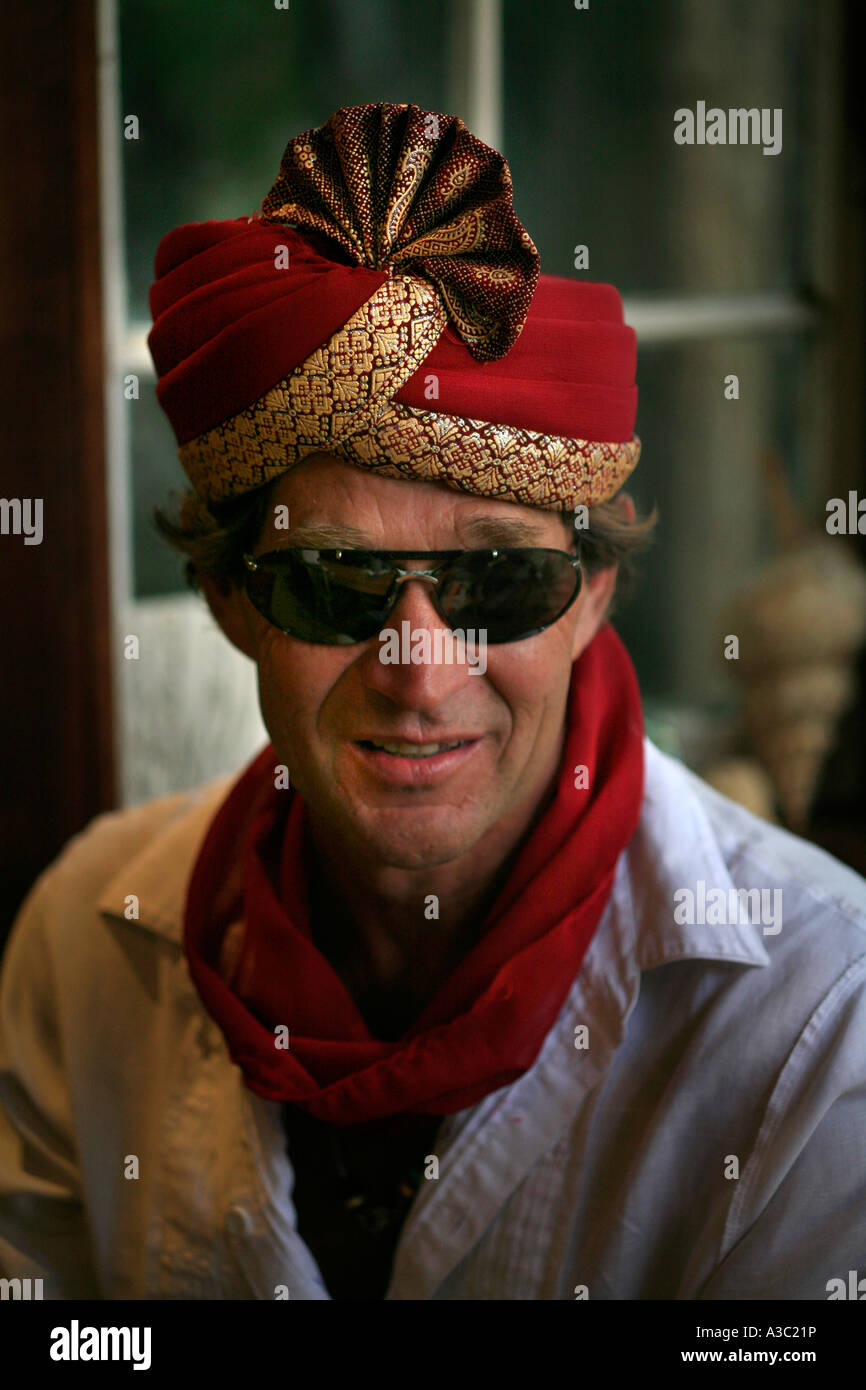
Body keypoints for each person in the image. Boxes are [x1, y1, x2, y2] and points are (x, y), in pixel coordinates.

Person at [1, 102, 865, 1303]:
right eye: (331, 582)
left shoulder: (820, 1025)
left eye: (498, 580)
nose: (419, 667)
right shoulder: (82, 939)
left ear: (591, 595)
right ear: (228, 598)